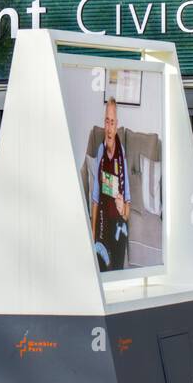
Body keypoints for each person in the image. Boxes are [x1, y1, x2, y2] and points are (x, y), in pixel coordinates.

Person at [88, 98, 131, 272]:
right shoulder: (100, 151)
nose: (109, 127)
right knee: (102, 266)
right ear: (104, 124)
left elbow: (127, 200)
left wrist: (123, 210)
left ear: (116, 125)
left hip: (119, 223)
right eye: (106, 121)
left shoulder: (122, 155)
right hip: (104, 220)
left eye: (112, 122)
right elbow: (95, 198)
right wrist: (92, 232)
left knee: (118, 271)